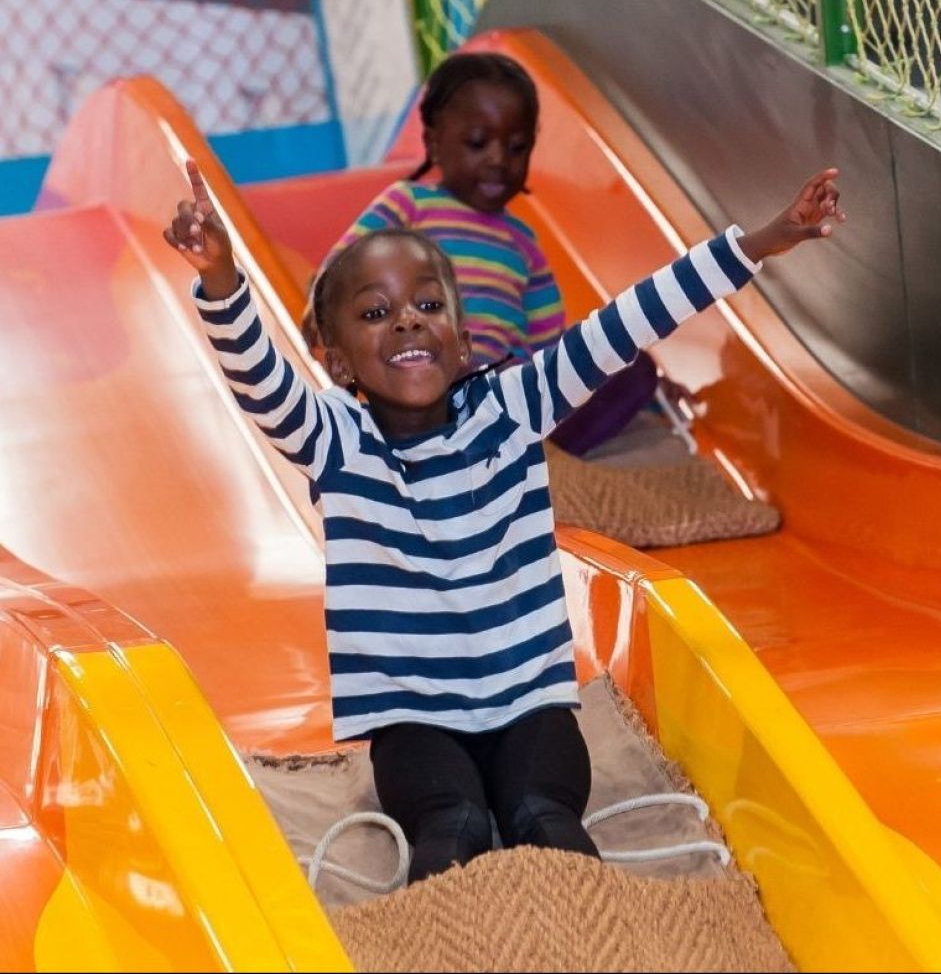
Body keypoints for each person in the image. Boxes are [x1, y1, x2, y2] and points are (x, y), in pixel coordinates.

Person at [164, 158, 842, 884]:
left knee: (542, 813)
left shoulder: (515, 406)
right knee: (450, 819)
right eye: (374, 313)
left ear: (461, 338)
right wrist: (222, 280)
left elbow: (631, 318)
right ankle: (461, 932)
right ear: (337, 365)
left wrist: (761, 242)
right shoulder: (334, 441)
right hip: (414, 722)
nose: (407, 321)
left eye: (428, 305)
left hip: (529, 703)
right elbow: (259, 377)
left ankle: (583, 932)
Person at [304, 51, 661, 457]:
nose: (498, 159)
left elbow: (550, 345)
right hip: (419, 371)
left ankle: (526, 448)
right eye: (478, 143)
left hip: (502, 398)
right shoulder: (410, 204)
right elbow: (342, 268)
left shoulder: (523, 243)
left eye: (516, 147)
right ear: (435, 144)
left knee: (633, 367)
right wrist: (322, 312)